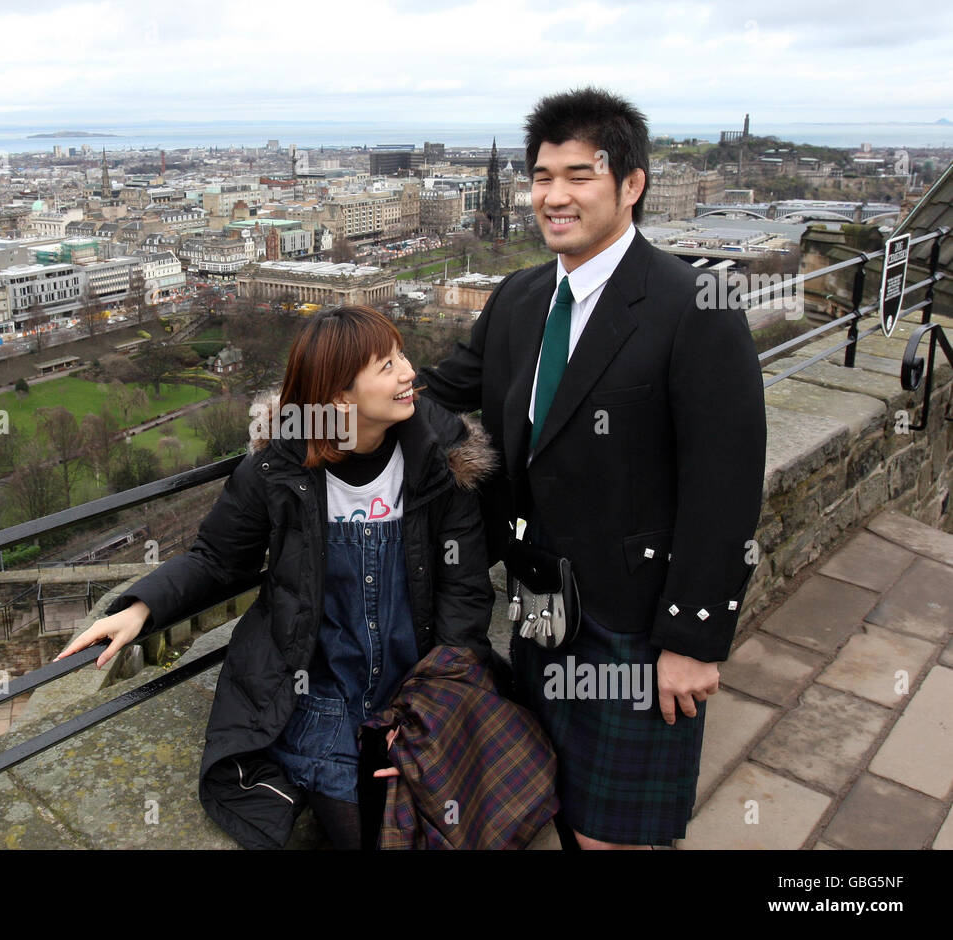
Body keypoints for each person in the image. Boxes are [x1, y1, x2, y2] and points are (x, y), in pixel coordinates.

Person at [418, 87, 767, 849]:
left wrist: (694, 639)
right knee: (556, 804)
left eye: (580, 175)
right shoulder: (519, 298)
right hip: (542, 609)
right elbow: (433, 397)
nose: (554, 196)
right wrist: (317, 412)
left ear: (630, 184)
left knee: (615, 836)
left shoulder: (695, 305)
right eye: (543, 176)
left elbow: (726, 487)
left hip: (636, 621)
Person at [57, 305, 498, 849]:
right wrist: (139, 609)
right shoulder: (278, 466)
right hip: (319, 692)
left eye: (401, 354)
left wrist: (435, 716)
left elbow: (464, 591)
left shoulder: (439, 457)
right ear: (339, 397)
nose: (410, 372)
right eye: (387, 366)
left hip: (417, 683)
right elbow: (218, 559)